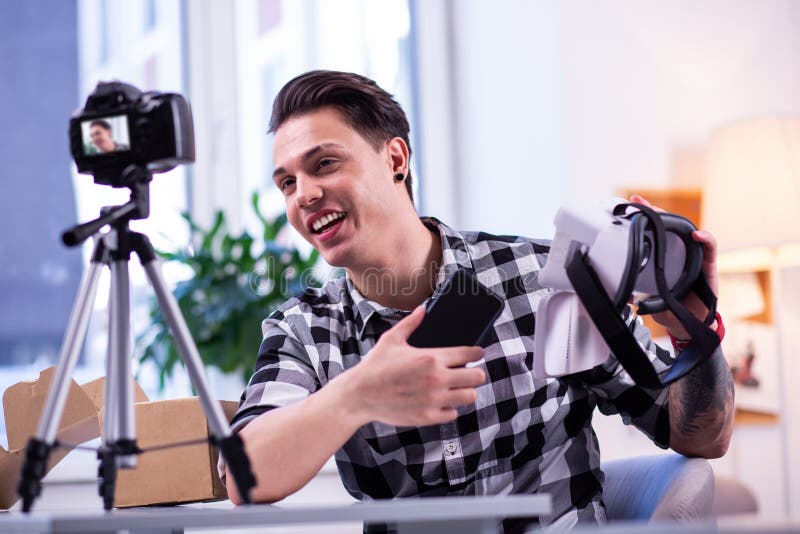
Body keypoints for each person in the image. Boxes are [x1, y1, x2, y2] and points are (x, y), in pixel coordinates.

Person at [222, 70, 734, 533]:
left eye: (324, 164)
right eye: (287, 182)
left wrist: (694, 329)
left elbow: (700, 438)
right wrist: (359, 394)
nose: (303, 195)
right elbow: (246, 477)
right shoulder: (307, 330)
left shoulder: (546, 279)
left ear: (395, 159)